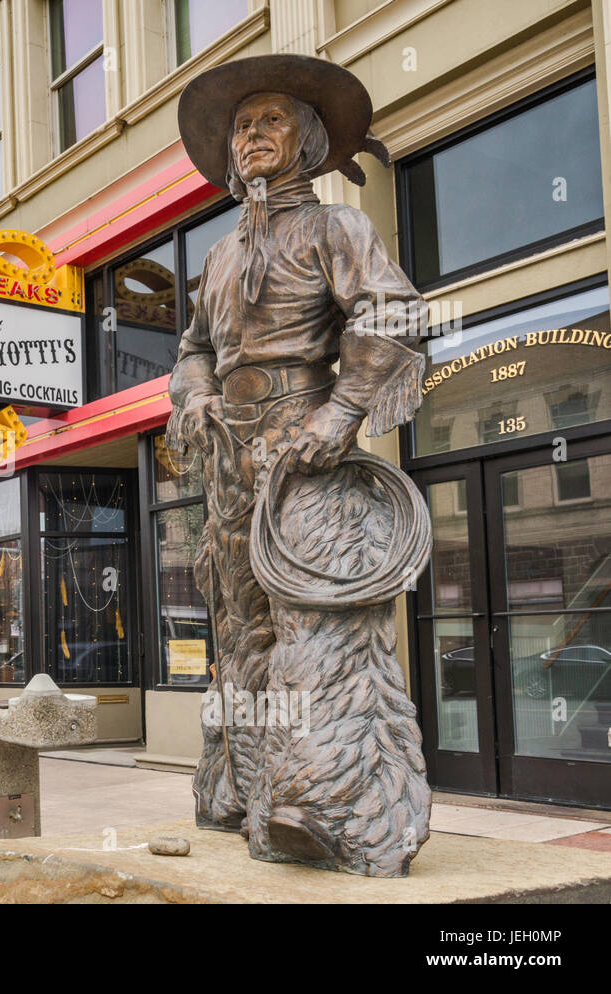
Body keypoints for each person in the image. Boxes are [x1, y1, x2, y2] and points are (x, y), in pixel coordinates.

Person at [168, 54, 430, 874]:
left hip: (306, 452)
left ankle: (326, 803)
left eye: (268, 122)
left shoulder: (336, 228)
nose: (250, 137)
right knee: (240, 631)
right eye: (242, 127)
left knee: (319, 631)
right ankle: (241, 787)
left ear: (308, 141)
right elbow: (193, 350)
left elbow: (392, 311)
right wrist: (196, 395)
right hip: (230, 462)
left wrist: (343, 410)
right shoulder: (215, 258)